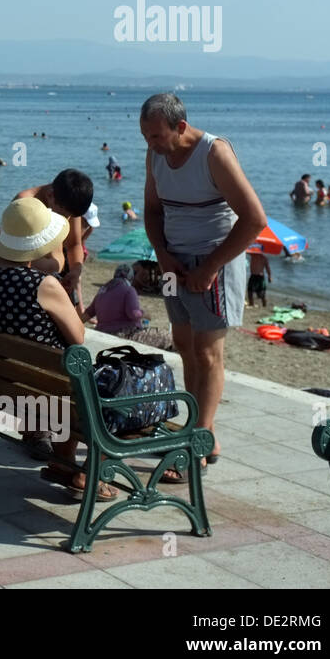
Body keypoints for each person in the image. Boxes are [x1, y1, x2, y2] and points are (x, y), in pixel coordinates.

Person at [0, 197, 116, 499]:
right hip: (46, 391)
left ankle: (63, 462)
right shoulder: (44, 285)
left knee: (66, 386)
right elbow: (79, 338)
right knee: (109, 391)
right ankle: (87, 472)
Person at [141, 92, 266, 477]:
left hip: (213, 262)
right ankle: (204, 431)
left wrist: (211, 266)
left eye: (158, 137)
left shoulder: (214, 154)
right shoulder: (155, 155)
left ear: (181, 126)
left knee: (209, 353)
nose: (153, 146)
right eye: (146, 138)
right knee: (184, 346)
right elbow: (151, 210)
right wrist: (161, 253)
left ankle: (192, 446)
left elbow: (254, 219)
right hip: (172, 263)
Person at [15, 169, 94, 310]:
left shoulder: (67, 201)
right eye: (66, 216)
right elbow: (4, 251)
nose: (68, 219)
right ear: (50, 195)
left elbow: (74, 244)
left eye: (71, 216)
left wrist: (76, 270)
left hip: (57, 280)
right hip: (27, 285)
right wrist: (48, 268)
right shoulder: (25, 203)